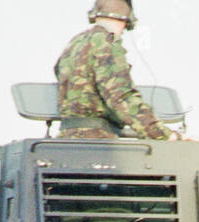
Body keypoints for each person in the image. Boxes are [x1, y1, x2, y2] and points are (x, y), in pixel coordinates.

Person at [54, 0, 181, 141]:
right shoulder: (107, 43)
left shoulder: (75, 43)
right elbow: (121, 97)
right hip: (98, 142)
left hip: (65, 141)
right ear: (127, 21)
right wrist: (165, 135)